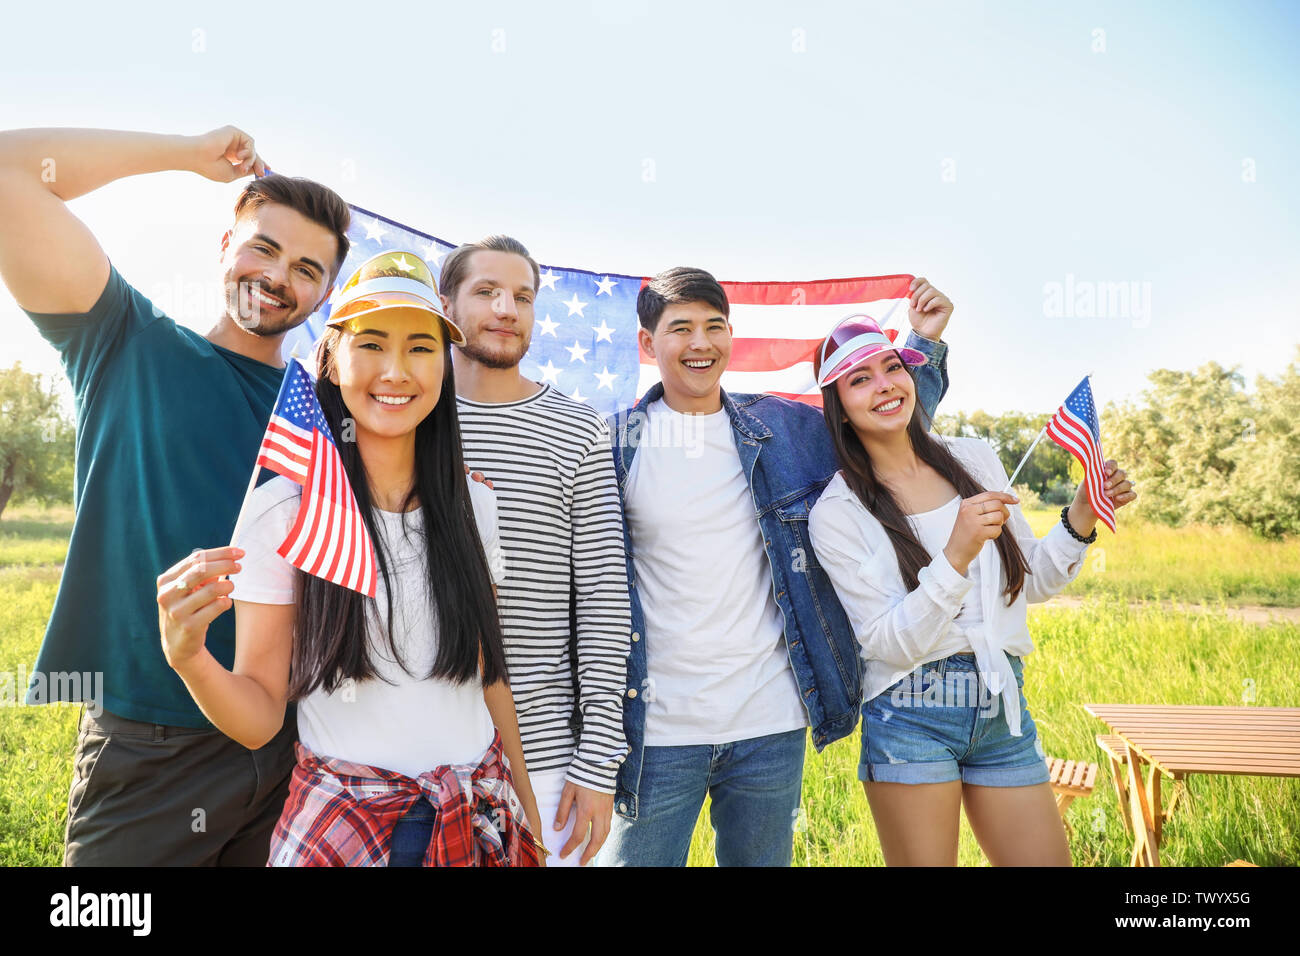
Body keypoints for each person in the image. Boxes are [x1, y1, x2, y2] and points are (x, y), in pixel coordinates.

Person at [0, 125, 349, 865]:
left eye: (307, 267)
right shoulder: (126, 340)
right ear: (225, 243)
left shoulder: (321, 415)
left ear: (323, 292)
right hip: (152, 748)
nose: (280, 275)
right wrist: (188, 155)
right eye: (264, 247)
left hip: (293, 751)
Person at [157, 251, 543, 866]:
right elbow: (259, 716)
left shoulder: (477, 502)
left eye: (420, 347)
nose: (395, 371)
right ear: (333, 362)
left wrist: (527, 813)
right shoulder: (285, 512)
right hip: (345, 821)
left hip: (477, 811)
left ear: (443, 367)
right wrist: (188, 657)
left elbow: (486, 676)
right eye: (371, 344)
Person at [596, 267, 953, 867]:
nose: (700, 343)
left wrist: (924, 345)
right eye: (680, 328)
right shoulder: (612, 445)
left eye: (714, 326)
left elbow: (888, 422)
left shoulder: (788, 432)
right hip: (657, 732)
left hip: (769, 723)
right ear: (646, 343)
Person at [806, 316, 1136, 866]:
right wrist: (955, 552)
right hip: (911, 712)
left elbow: (1031, 581)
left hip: (1001, 705)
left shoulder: (973, 458)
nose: (886, 384)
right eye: (860, 379)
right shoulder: (837, 513)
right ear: (839, 406)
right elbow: (888, 642)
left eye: (893, 367)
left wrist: (1079, 516)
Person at [438, 235, 632, 866]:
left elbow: (603, 596)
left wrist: (598, 760)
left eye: (522, 296)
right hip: (421, 758)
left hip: (549, 764)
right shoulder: (406, 413)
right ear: (445, 303)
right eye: (486, 292)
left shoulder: (579, 426)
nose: (507, 309)